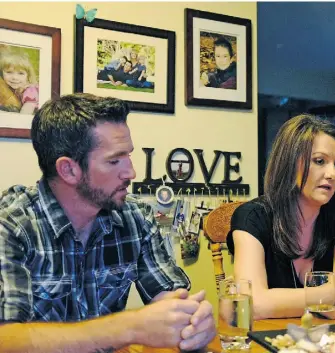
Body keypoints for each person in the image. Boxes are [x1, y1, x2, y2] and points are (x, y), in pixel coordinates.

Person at [0, 93, 216, 352]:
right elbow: (6, 339)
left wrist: (192, 322)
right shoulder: (12, 225)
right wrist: (128, 327)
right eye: (114, 161)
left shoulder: (136, 217)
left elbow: (169, 298)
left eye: (129, 156)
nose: (131, 173)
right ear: (68, 170)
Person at [228, 114, 335, 319]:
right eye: (319, 161)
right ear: (289, 163)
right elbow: (252, 305)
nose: (333, 173)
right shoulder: (252, 217)